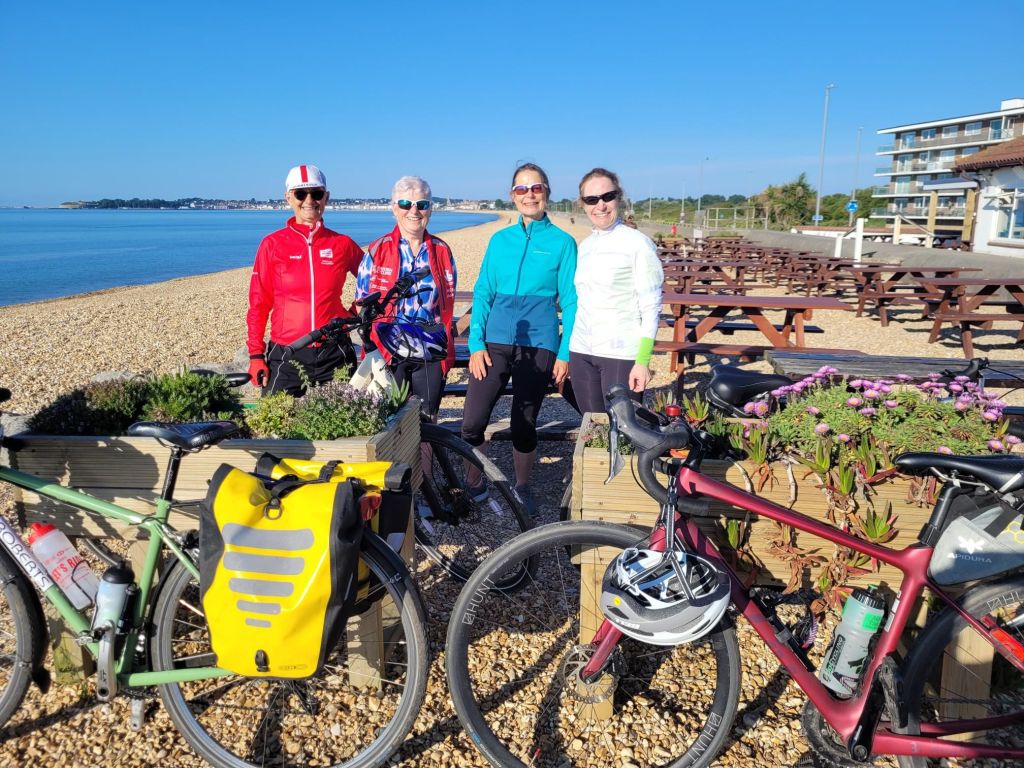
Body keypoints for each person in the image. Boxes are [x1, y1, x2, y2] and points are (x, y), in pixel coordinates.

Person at [462, 163, 577, 517]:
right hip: (493, 341)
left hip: (539, 342)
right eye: (521, 189)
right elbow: (482, 292)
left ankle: (523, 486)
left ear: (546, 193)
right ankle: (474, 482)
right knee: (471, 421)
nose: (529, 195)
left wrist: (564, 351)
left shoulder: (562, 242)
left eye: (536, 188)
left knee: (523, 421)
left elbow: (571, 300)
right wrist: (476, 343)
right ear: (512, 196)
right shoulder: (500, 240)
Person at [246, 164, 364, 395]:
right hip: (287, 352)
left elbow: (373, 282)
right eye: (301, 194)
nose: (309, 200)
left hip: (335, 350)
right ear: (288, 198)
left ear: (326, 197)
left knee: (345, 426)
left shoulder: (342, 244)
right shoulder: (272, 244)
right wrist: (256, 355)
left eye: (316, 193)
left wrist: (352, 314)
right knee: (277, 425)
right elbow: (258, 304)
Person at [355, 176, 457, 419]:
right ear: (394, 208)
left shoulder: (442, 251)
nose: (414, 210)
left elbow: (447, 304)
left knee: (427, 420)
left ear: (430, 209)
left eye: (422, 204)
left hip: (430, 350)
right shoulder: (377, 249)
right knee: (387, 420)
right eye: (405, 204)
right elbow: (361, 302)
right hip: (389, 350)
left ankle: (425, 459)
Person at [569, 167, 663, 414]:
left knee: (624, 432)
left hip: (620, 352)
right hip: (581, 350)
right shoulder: (585, 246)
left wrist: (642, 361)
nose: (600, 205)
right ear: (583, 204)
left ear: (618, 197)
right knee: (592, 428)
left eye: (607, 197)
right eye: (591, 199)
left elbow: (651, 307)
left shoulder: (637, 244)